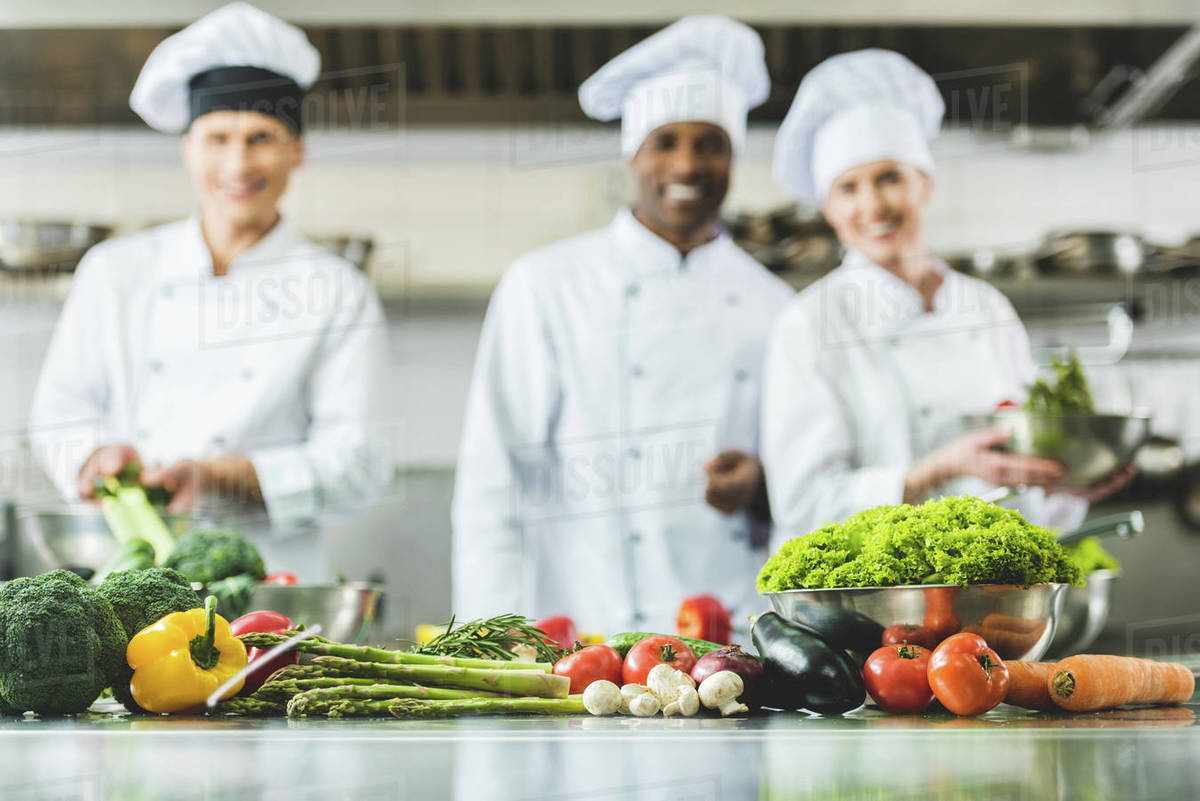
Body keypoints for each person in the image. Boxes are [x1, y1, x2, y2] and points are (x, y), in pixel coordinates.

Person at [452, 16, 794, 634]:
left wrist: (762, 483)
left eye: (710, 142)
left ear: (733, 156)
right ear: (634, 154)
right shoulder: (546, 285)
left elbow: (805, 481)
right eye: (666, 141)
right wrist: (485, 642)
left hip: (732, 639)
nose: (687, 163)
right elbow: (492, 478)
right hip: (579, 633)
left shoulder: (775, 305)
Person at [28, 2, 392, 580]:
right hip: (132, 580)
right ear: (188, 149)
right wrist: (94, 456)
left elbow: (359, 466)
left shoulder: (336, 291)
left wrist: (220, 476)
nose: (237, 162)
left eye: (261, 137)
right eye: (217, 137)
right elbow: (60, 414)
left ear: (297, 150)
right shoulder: (115, 271)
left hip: (278, 592)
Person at [762, 49, 1132, 548]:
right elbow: (803, 508)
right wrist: (940, 469)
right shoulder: (808, 324)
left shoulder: (987, 308)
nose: (872, 205)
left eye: (889, 177)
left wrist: (1070, 485)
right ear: (829, 210)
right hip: (875, 608)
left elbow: (1026, 497)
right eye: (848, 188)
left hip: (993, 592)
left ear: (925, 184)